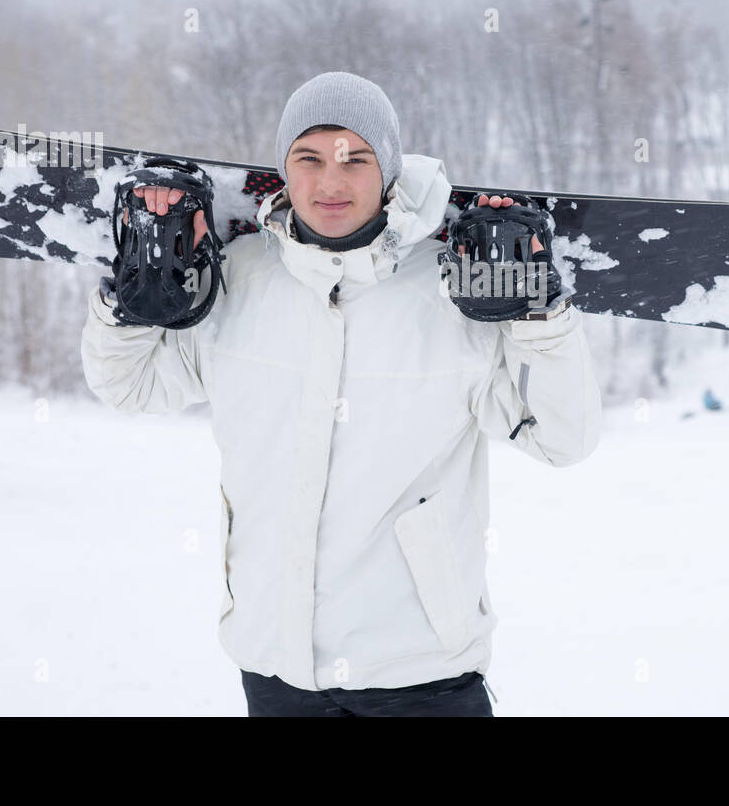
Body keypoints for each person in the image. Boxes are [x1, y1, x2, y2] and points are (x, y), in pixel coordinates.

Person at [81, 72, 602, 716]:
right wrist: (133, 298)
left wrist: (538, 315)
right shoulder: (240, 280)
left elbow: (564, 438)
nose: (331, 181)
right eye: (309, 157)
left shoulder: (451, 291)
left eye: (356, 159)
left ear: (386, 171)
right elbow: (129, 386)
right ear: (283, 171)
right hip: (275, 669)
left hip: (421, 676)